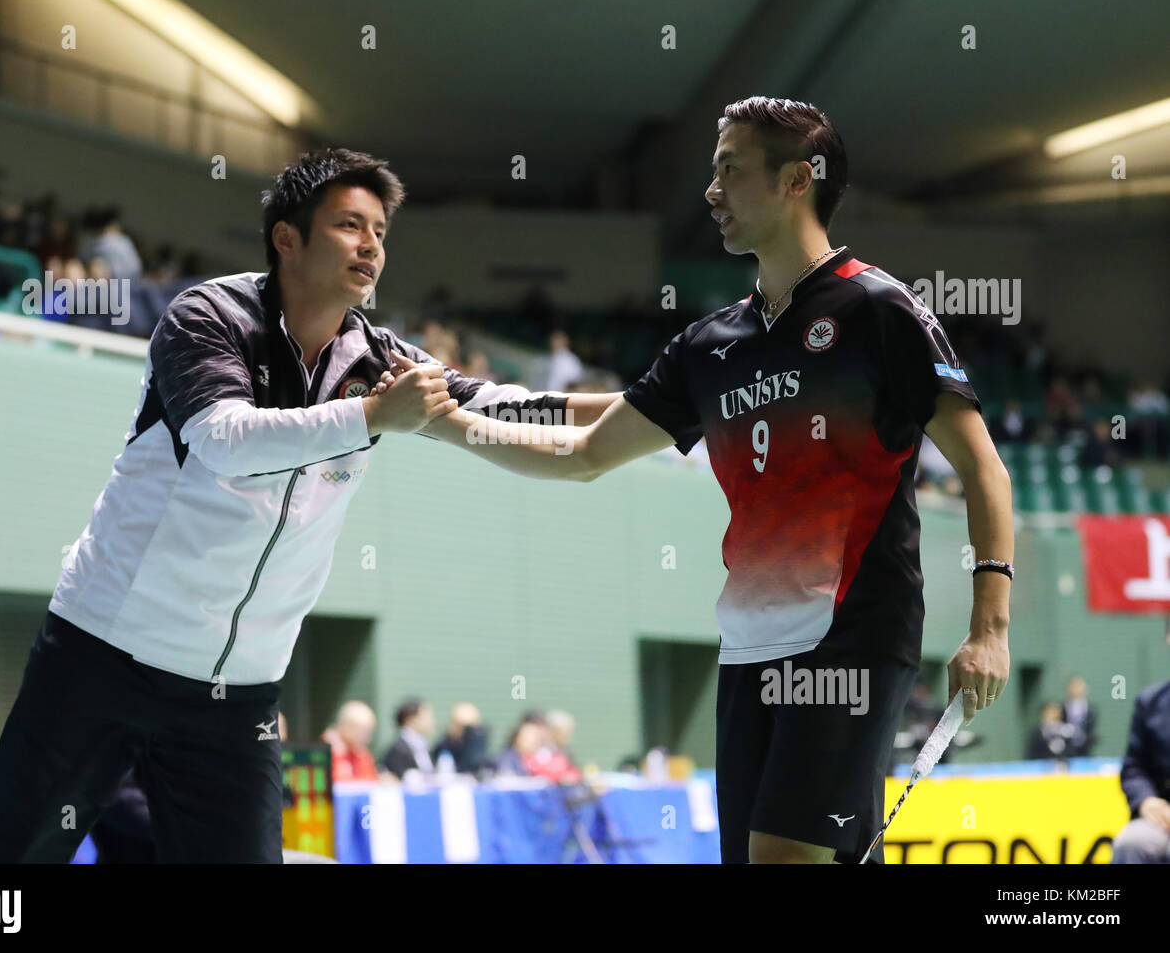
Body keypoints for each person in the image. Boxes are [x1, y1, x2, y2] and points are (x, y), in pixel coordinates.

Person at [395, 96, 1013, 864]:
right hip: (747, 647)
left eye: (730, 169)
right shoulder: (711, 345)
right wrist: (448, 416)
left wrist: (990, 626)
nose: (712, 191)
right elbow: (588, 446)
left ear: (796, 180)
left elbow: (984, 467)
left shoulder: (877, 310)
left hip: (849, 638)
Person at [0, 148, 618, 864]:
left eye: (380, 231)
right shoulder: (207, 316)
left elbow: (514, 405)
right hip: (101, 655)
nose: (371, 244)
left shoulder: (382, 361)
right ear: (287, 238)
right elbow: (222, 438)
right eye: (349, 224)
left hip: (235, 696)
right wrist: (374, 417)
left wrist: (660, 407)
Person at [1112, 647, 1170, 863]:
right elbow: (1133, 768)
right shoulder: (1150, 702)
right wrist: (1146, 801)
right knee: (1131, 844)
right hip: (1160, 814)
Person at [321, 701, 380, 782]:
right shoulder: (324, 749)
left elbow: (370, 781)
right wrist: (339, 754)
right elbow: (336, 783)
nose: (368, 739)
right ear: (346, 727)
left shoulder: (360, 752)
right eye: (364, 733)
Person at [382, 699, 436, 779]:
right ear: (410, 719)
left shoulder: (423, 746)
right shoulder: (397, 750)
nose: (432, 721)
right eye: (426, 717)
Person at [431, 702, 489, 776]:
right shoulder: (445, 746)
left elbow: (477, 764)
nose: (467, 732)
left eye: (470, 727)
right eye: (463, 727)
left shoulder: (477, 743)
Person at [1061, 675, 1098, 756]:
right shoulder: (1062, 708)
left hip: (1085, 749)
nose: (1076, 689)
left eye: (1079, 686)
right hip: (1067, 749)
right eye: (1074, 686)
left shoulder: (1091, 709)